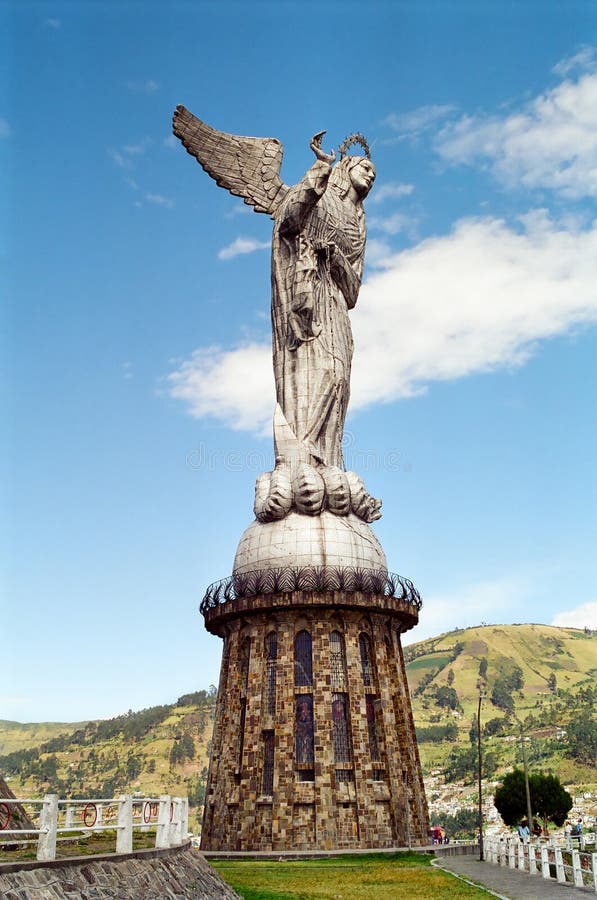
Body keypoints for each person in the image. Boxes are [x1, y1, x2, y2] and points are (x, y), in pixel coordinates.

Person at [271, 146, 376, 469]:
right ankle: (300, 456)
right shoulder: (320, 193)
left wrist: (334, 255)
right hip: (307, 298)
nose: (372, 175)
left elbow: (353, 292)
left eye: (375, 174)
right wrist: (320, 167)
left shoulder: (358, 226)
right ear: (346, 167)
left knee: (340, 380)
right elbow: (288, 220)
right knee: (323, 373)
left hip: (335, 305)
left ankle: (329, 461)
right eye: (366, 167)